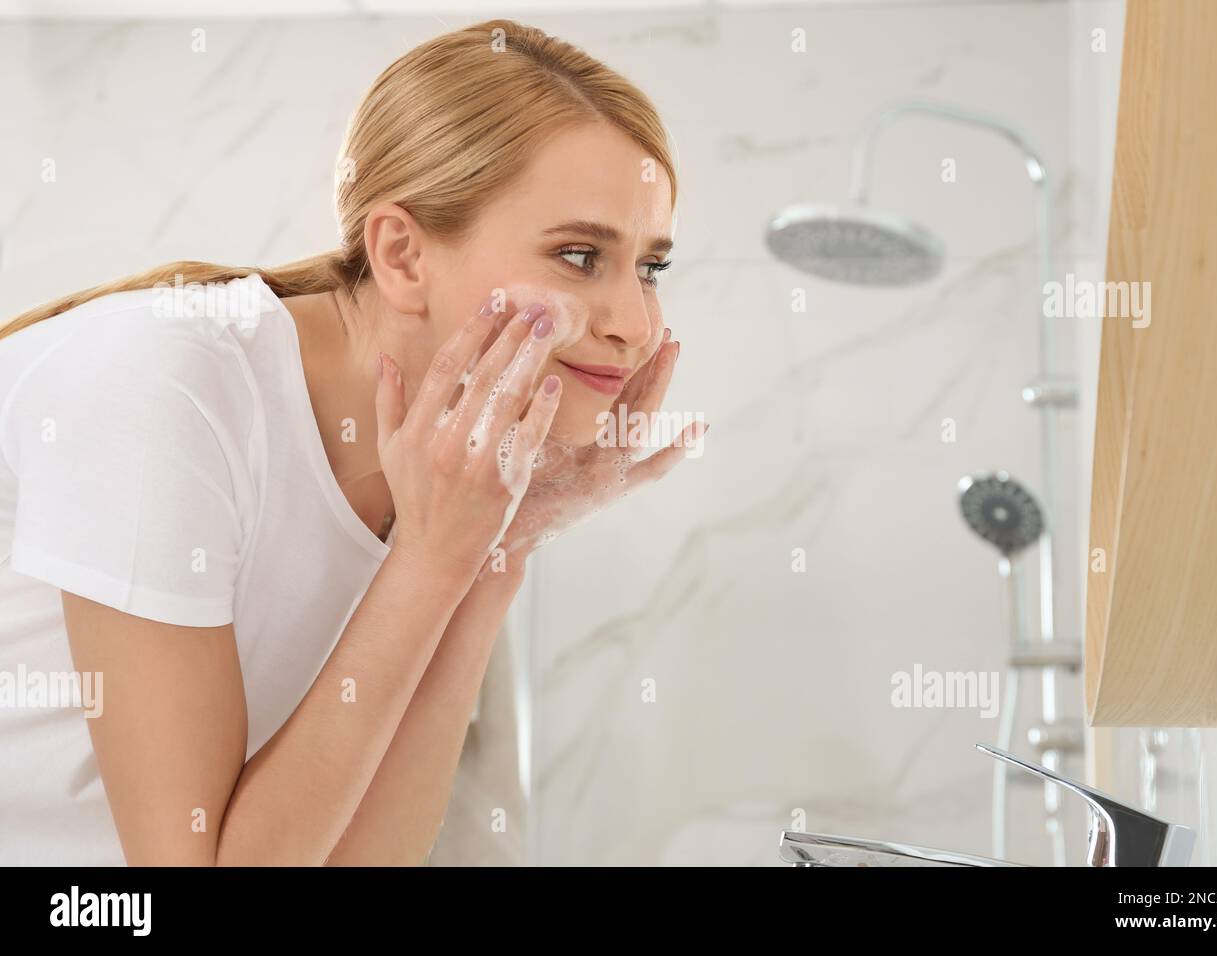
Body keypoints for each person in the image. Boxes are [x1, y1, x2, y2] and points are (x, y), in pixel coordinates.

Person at [0, 17, 704, 866]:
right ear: (403, 255)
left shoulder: (447, 481)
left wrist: (494, 553)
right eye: (580, 255)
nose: (634, 324)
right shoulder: (165, 385)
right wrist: (434, 561)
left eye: (651, 267)